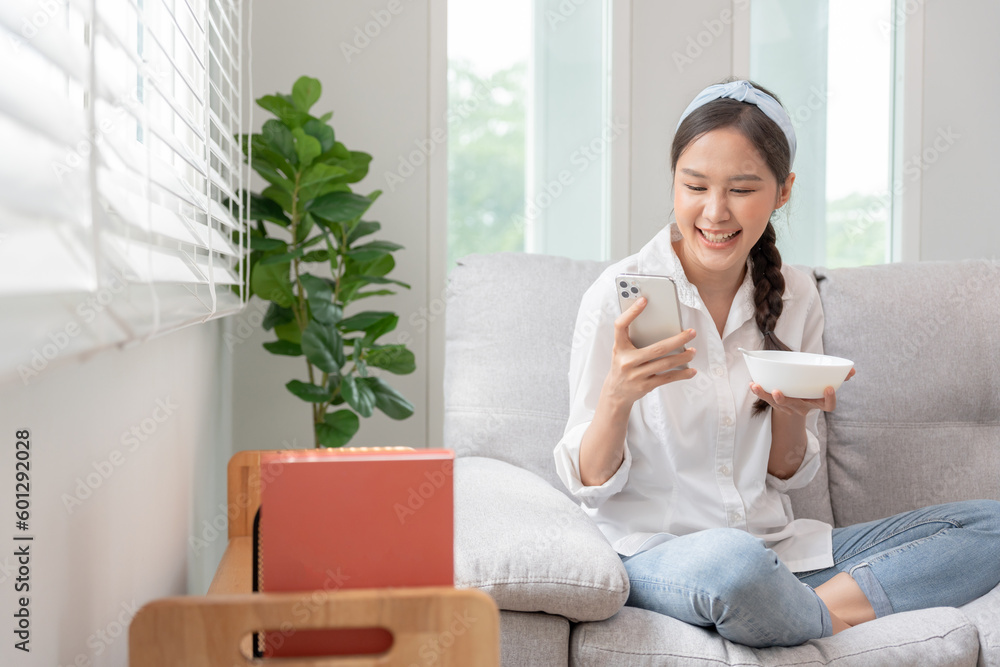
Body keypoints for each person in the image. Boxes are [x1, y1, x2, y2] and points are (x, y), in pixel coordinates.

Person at [552, 78, 1000, 648]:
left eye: (742, 189)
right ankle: (819, 617)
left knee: (990, 526)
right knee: (732, 565)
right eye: (695, 186)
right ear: (674, 182)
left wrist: (792, 413)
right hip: (662, 557)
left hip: (777, 552)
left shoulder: (796, 295)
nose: (715, 212)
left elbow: (781, 473)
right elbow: (589, 486)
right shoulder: (617, 295)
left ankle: (807, 613)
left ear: (783, 191)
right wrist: (618, 395)